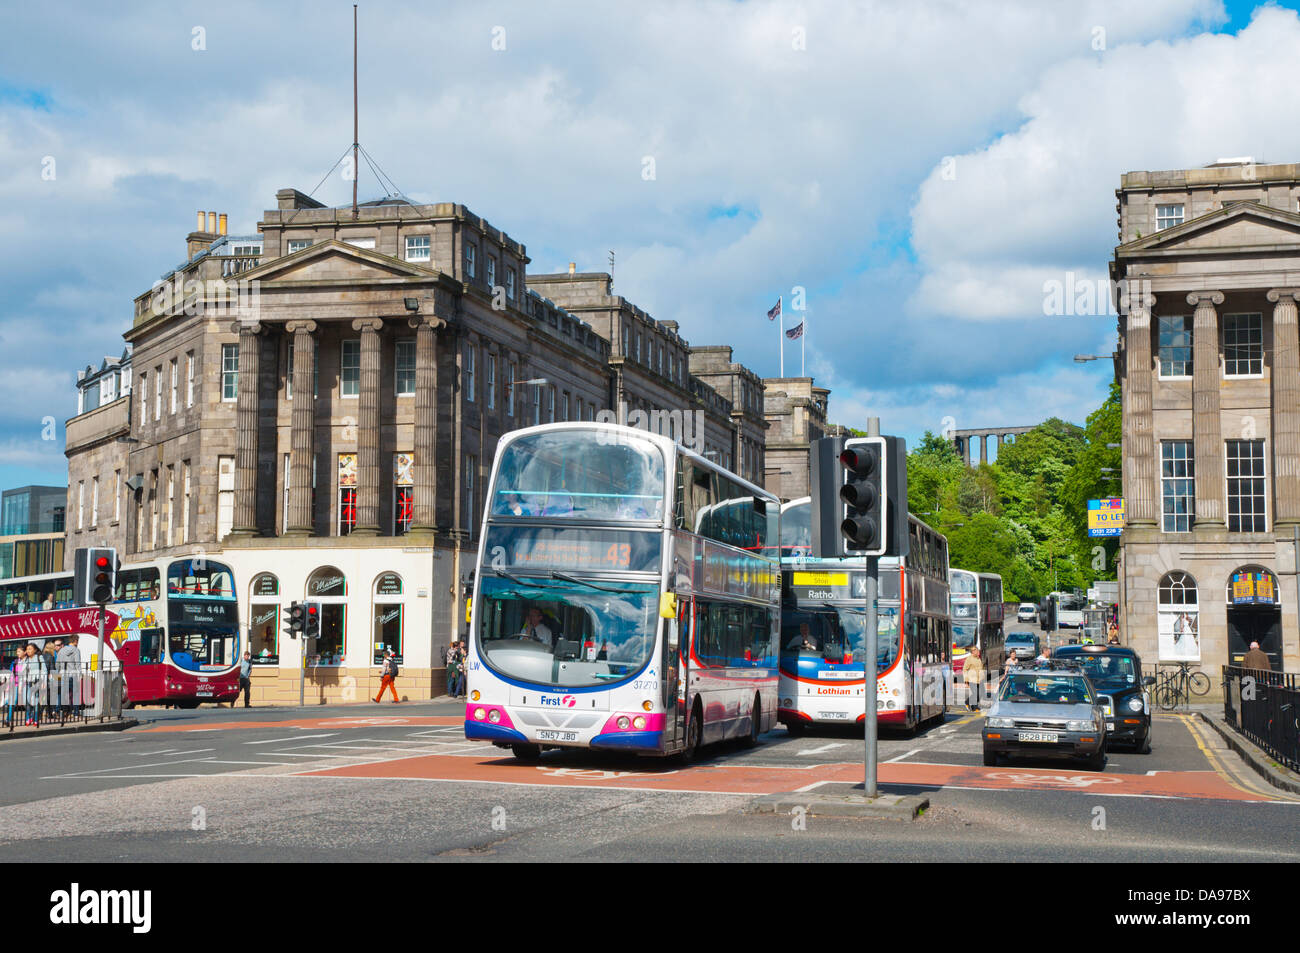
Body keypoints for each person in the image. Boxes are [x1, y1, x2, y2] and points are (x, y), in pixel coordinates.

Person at [55, 635, 81, 717]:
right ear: (76, 641)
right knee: (75, 694)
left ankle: (59, 711)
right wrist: (79, 675)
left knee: (61, 694)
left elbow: (57, 665)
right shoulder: (76, 650)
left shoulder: (61, 650)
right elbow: (78, 664)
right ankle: (76, 713)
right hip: (72, 674)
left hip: (62, 675)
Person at [962, 646, 985, 711]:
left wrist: (982, 677)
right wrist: (966, 680)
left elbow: (981, 668)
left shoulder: (978, 659)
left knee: (981, 693)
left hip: (979, 679)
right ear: (973, 652)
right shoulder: (969, 659)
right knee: (975, 694)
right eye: (977, 651)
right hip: (972, 679)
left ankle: (973, 706)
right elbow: (965, 669)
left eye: (978, 651)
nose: (978, 652)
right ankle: (969, 703)